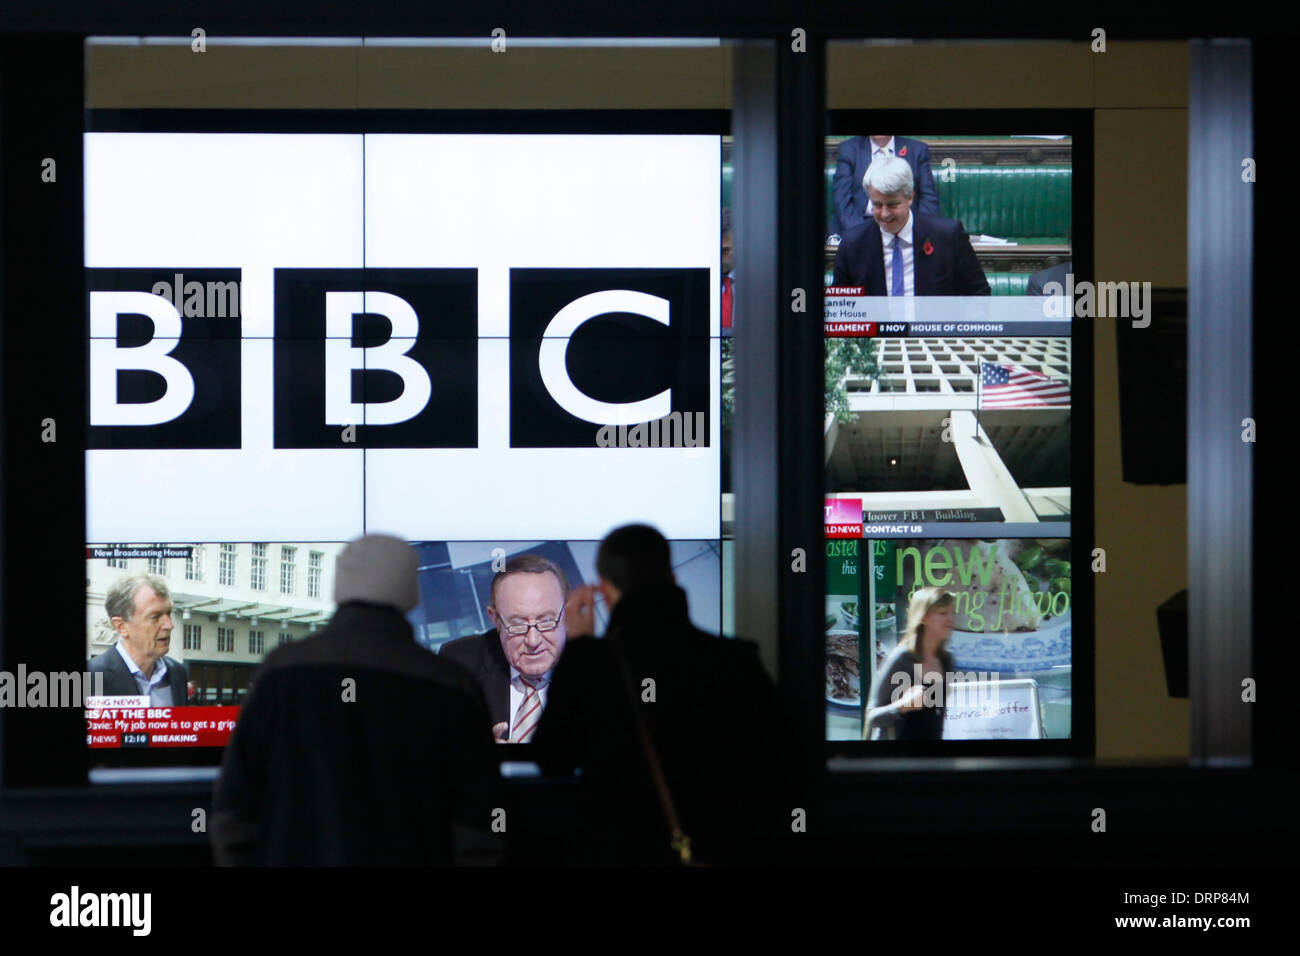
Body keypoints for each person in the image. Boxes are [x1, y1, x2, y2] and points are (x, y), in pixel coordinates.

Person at [210, 534, 503, 866]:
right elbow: (479, 827)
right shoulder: (451, 685)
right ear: (411, 591)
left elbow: (234, 810)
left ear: (339, 586)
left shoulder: (281, 671)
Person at [532, 524, 781, 865]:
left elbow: (552, 758)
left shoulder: (592, 666)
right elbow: (779, 765)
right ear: (672, 577)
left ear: (605, 591)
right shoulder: (737, 661)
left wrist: (579, 648)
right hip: (721, 850)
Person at [440, 554, 570, 743]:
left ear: (566, 614)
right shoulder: (460, 664)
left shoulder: (603, 671)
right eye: (517, 624)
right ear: (495, 619)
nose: (533, 641)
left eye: (546, 621)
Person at [832, 154, 990, 295]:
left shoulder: (948, 236)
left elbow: (978, 294)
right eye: (877, 205)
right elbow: (841, 306)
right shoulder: (852, 244)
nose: (884, 214)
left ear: (910, 197)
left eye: (892, 205)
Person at [864, 586, 957, 741]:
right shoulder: (902, 659)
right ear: (923, 617)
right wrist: (903, 705)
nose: (950, 619)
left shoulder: (946, 660)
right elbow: (872, 717)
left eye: (952, 613)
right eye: (942, 613)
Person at [89, 574, 189, 705]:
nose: (169, 625)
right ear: (121, 626)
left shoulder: (178, 673)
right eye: (155, 617)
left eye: (168, 614)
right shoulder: (88, 677)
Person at [830, 135, 940, 241]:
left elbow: (928, 199)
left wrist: (914, 230)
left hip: (905, 223)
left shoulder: (917, 150)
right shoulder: (849, 149)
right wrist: (862, 233)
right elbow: (842, 200)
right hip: (861, 223)